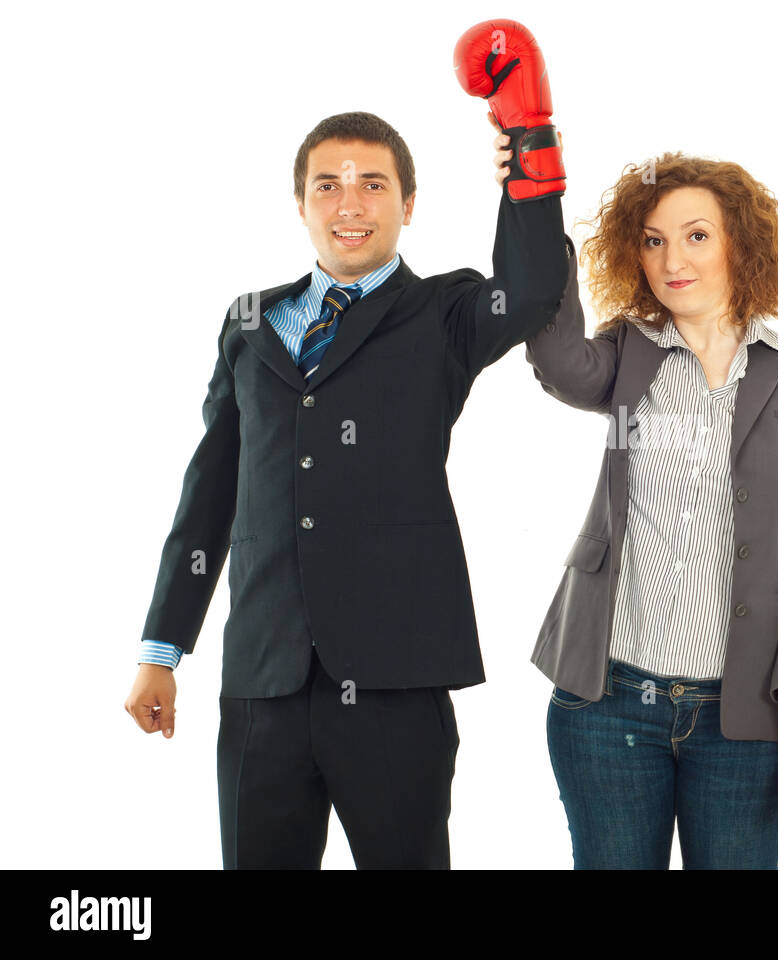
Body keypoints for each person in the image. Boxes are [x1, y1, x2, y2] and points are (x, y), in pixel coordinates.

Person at [122, 98, 567, 868]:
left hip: (394, 677)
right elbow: (210, 491)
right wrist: (162, 648)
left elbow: (531, 289)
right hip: (264, 680)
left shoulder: (444, 313)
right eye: (327, 184)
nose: (349, 203)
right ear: (300, 204)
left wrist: (529, 161)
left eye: (372, 184)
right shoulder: (250, 321)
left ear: (408, 204)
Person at [517, 150, 778, 869]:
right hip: (606, 704)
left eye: (697, 235)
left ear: (741, 240)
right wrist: (532, 199)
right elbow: (554, 361)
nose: (673, 258)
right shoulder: (628, 352)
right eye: (653, 239)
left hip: (745, 717)